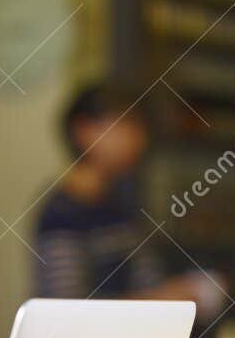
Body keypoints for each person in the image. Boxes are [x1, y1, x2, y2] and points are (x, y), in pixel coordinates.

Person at [35, 82, 208, 303]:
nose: (138, 137)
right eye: (124, 123)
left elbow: (147, 276)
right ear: (83, 130)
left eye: (138, 125)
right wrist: (159, 298)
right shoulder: (60, 213)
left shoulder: (120, 205)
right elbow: (66, 308)